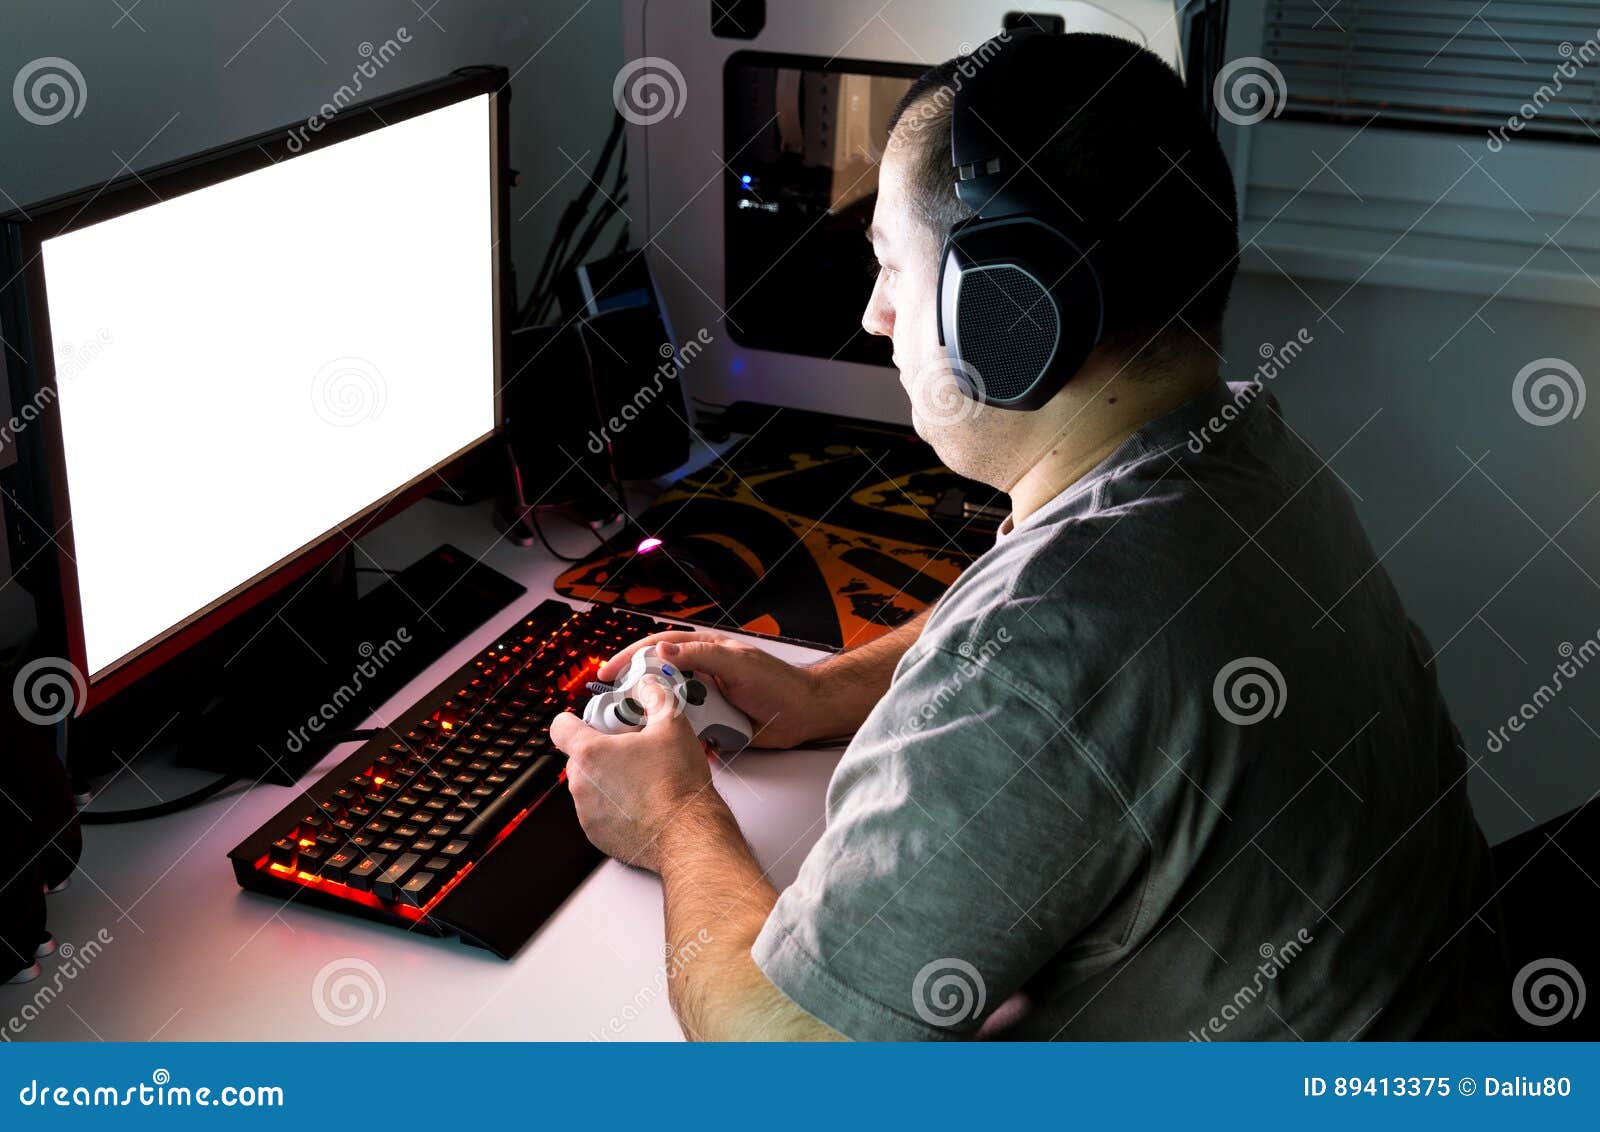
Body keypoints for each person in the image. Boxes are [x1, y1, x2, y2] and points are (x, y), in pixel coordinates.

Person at [548, 31, 1505, 1041]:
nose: (875, 316)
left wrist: (673, 816)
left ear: (1007, 310)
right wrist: (828, 690)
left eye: (890, 269)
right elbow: (1053, 648)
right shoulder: (1241, 450)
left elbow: (778, 1058)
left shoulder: (1064, 637)